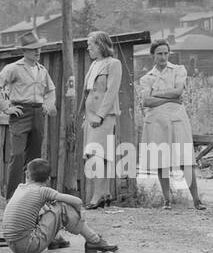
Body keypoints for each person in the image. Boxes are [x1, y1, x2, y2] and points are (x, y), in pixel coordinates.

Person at [139, 39, 206, 210]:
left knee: (185, 159)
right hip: (157, 122)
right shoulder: (147, 78)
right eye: (159, 54)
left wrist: (158, 95)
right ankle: (167, 200)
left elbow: (178, 91)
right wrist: (170, 97)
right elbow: (146, 101)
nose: (163, 57)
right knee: (162, 160)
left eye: (165, 53)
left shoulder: (178, 70)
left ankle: (197, 200)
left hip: (177, 120)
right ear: (153, 56)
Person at [2, 157, 118, 253]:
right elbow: (77, 201)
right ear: (48, 179)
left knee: (47, 206)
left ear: (27, 175)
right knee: (62, 207)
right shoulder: (42, 191)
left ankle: (55, 239)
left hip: (13, 245)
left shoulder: (20, 188)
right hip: (30, 245)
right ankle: (93, 239)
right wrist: (80, 213)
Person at [0, 31, 56, 199]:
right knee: (17, 154)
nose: (37, 52)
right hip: (20, 112)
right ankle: (11, 196)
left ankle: (32, 195)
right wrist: (6, 107)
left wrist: (48, 105)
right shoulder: (13, 68)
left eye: (39, 48)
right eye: (33, 49)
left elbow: (51, 90)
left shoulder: (42, 70)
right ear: (24, 51)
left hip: (38, 112)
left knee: (34, 156)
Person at [82, 30, 123, 209]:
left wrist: (100, 114)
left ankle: (97, 194)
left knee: (97, 153)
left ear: (100, 45)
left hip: (103, 116)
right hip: (91, 115)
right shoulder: (94, 65)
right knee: (99, 154)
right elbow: (88, 91)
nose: (88, 48)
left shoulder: (113, 64)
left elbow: (111, 92)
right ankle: (105, 193)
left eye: (91, 45)